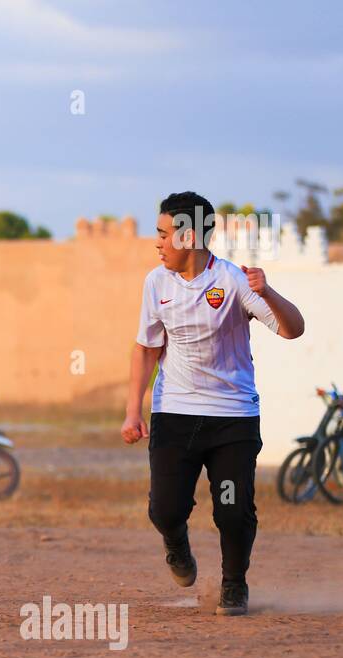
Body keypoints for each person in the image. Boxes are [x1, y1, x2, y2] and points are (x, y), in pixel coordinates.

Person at [120, 191, 304, 616]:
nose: (158, 242)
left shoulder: (234, 281)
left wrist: (269, 291)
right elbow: (146, 348)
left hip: (232, 419)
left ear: (188, 236)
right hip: (175, 415)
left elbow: (293, 330)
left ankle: (234, 584)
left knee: (232, 510)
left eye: (165, 234)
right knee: (165, 510)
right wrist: (133, 410)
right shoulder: (156, 283)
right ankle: (176, 544)